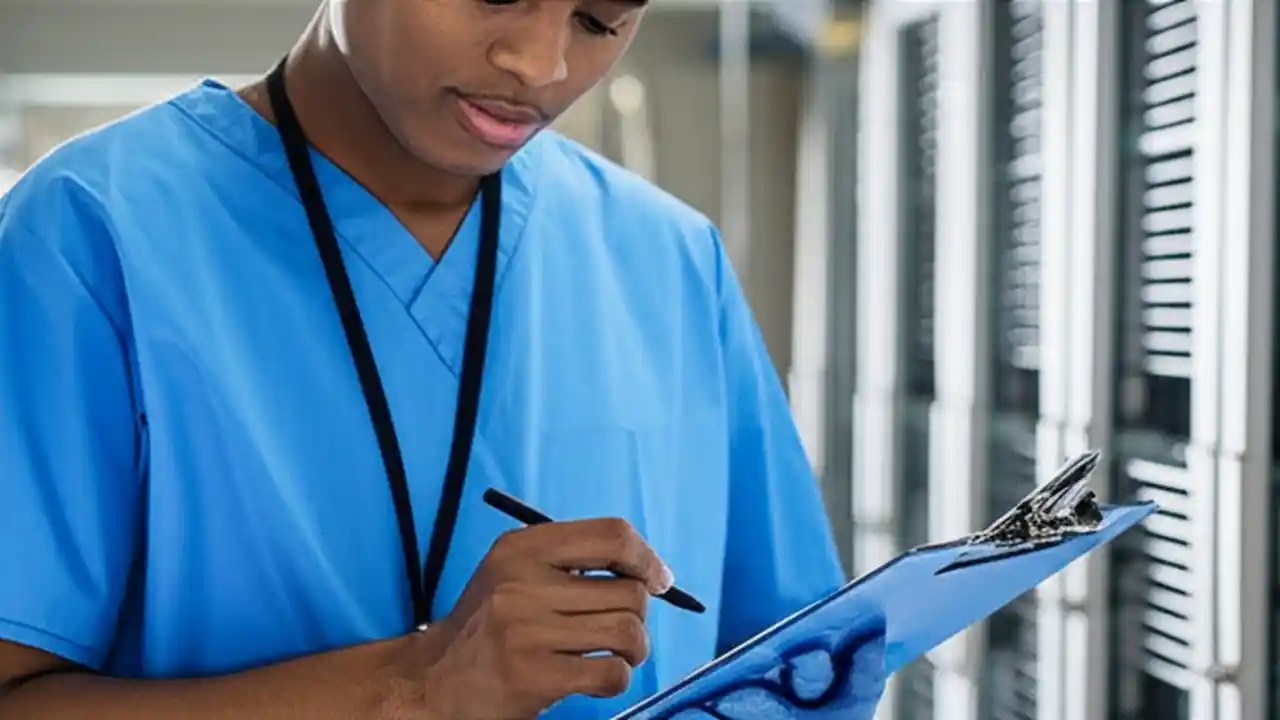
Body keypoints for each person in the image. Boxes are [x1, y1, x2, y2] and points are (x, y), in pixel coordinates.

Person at [0, 0, 844, 717]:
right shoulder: (91, 233)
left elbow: (800, 665)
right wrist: (416, 687)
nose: (540, 63)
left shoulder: (667, 256)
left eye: (597, 19)